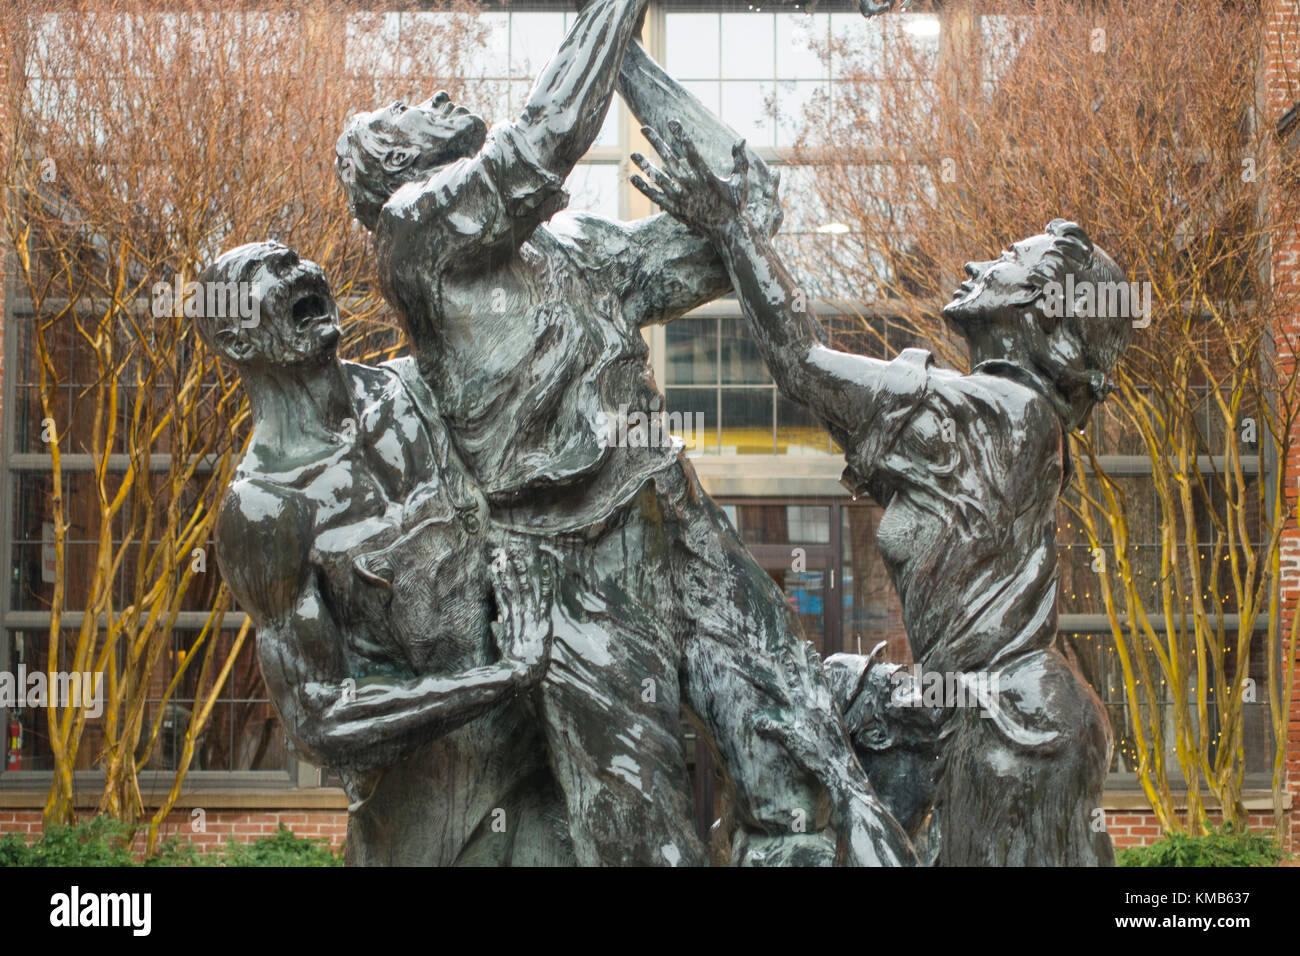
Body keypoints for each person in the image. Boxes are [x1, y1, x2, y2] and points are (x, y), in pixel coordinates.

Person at [335, 0, 914, 866]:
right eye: (409, 106)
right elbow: (541, 141)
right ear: (391, 165)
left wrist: (631, 63)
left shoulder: (574, 253)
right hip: (571, 569)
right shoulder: (415, 240)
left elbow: (745, 208)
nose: (441, 92)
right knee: (643, 837)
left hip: (676, 521)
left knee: (795, 781)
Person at [631, 123, 1120, 865]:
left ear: (1047, 310)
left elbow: (801, 362)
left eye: (1010, 260)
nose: (976, 262)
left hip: (1017, 730)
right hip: (991, 716)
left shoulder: (1000, 412)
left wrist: (731, 224)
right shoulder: (1000, 421)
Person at [198, 240, 579, 866]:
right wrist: (504, 677)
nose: (299, 273)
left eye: (292, 260)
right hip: (420, 827)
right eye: (267, 275)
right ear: (239, 343)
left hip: (544, 770)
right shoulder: (263, 509)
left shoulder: (419, 386)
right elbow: (319, 719)